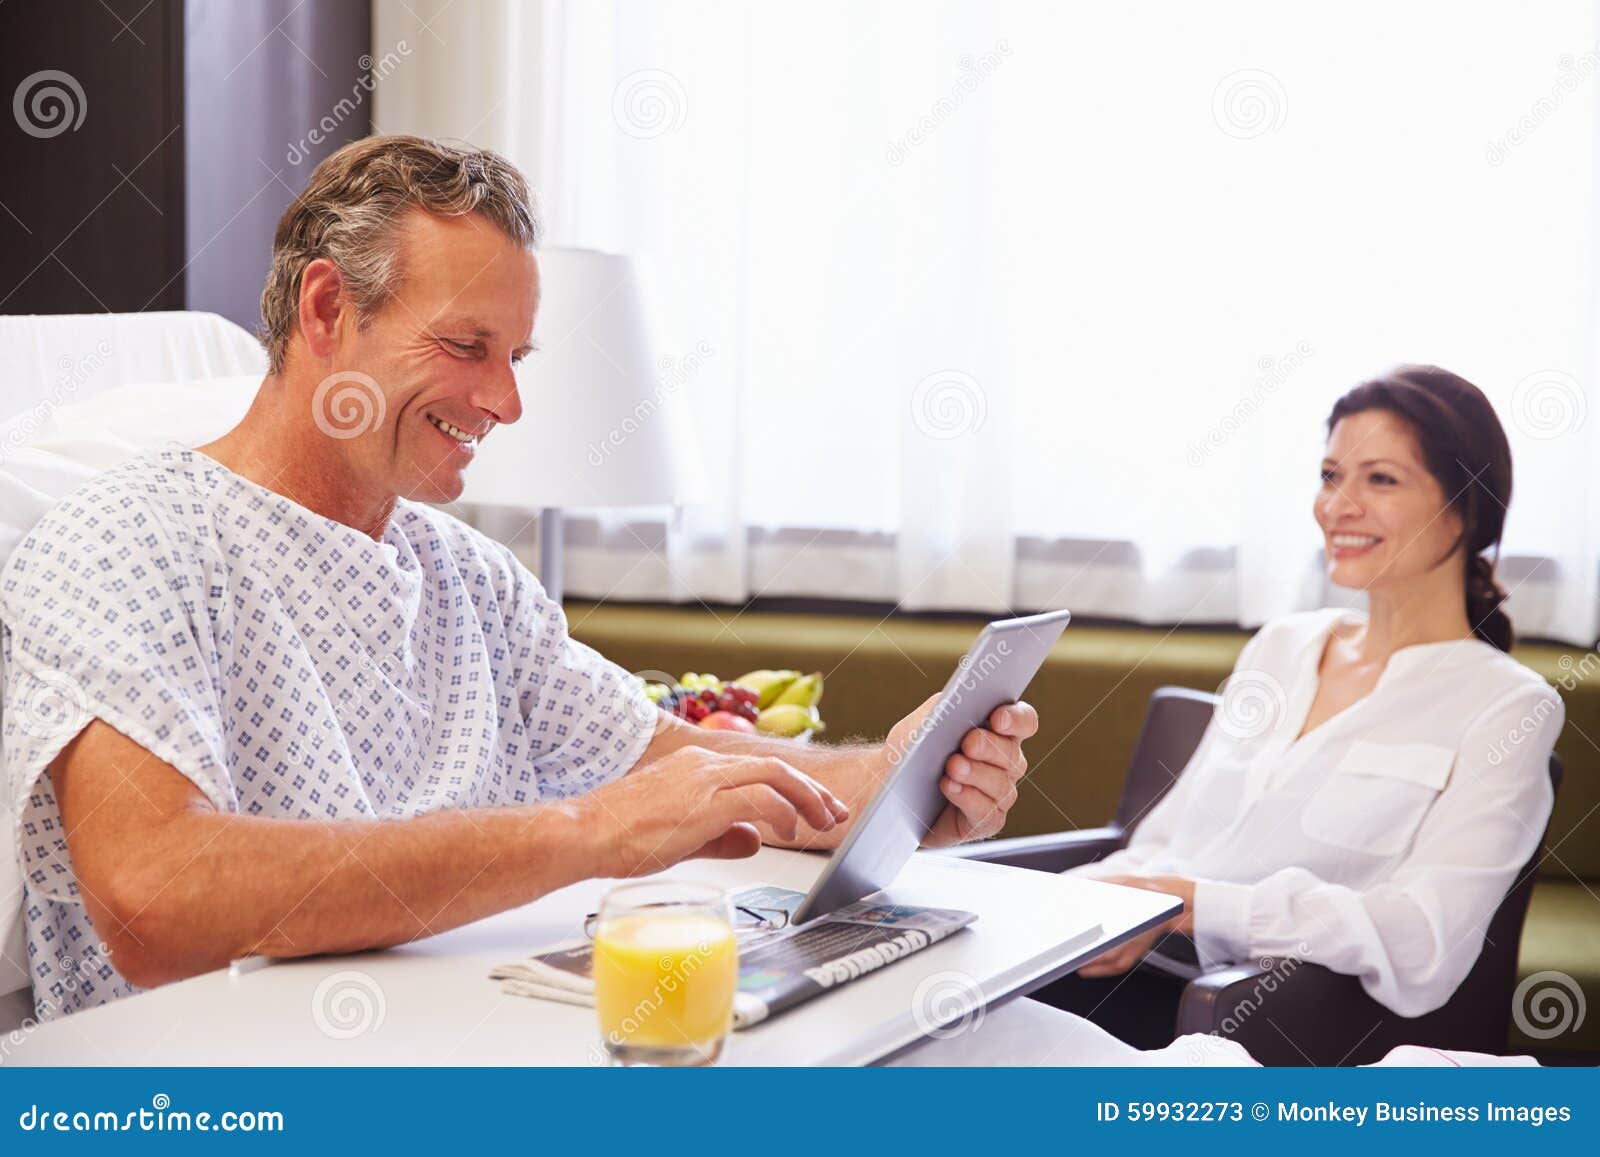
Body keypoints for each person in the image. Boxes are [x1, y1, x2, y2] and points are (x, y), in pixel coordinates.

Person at [0, 135, 1037, 1021]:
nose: (504, 400)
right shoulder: (124, 546)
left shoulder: (468, 580)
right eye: (465, 346)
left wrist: (905, 781)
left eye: (516, 357)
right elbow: (154, 899)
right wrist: (586, 830)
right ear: (325, 308)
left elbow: (687, 777)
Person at [1030, 366, 1565, 1047]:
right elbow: (1166, 840)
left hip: (1255, 1024)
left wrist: (1194, 907)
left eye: (1380, 479)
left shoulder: (1507, 705)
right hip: (1121, 968)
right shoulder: (1281, 646)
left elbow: (1426, 939)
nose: (1337, 505)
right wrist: (1059, 913)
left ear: (1468, 504)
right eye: (1330, 474)